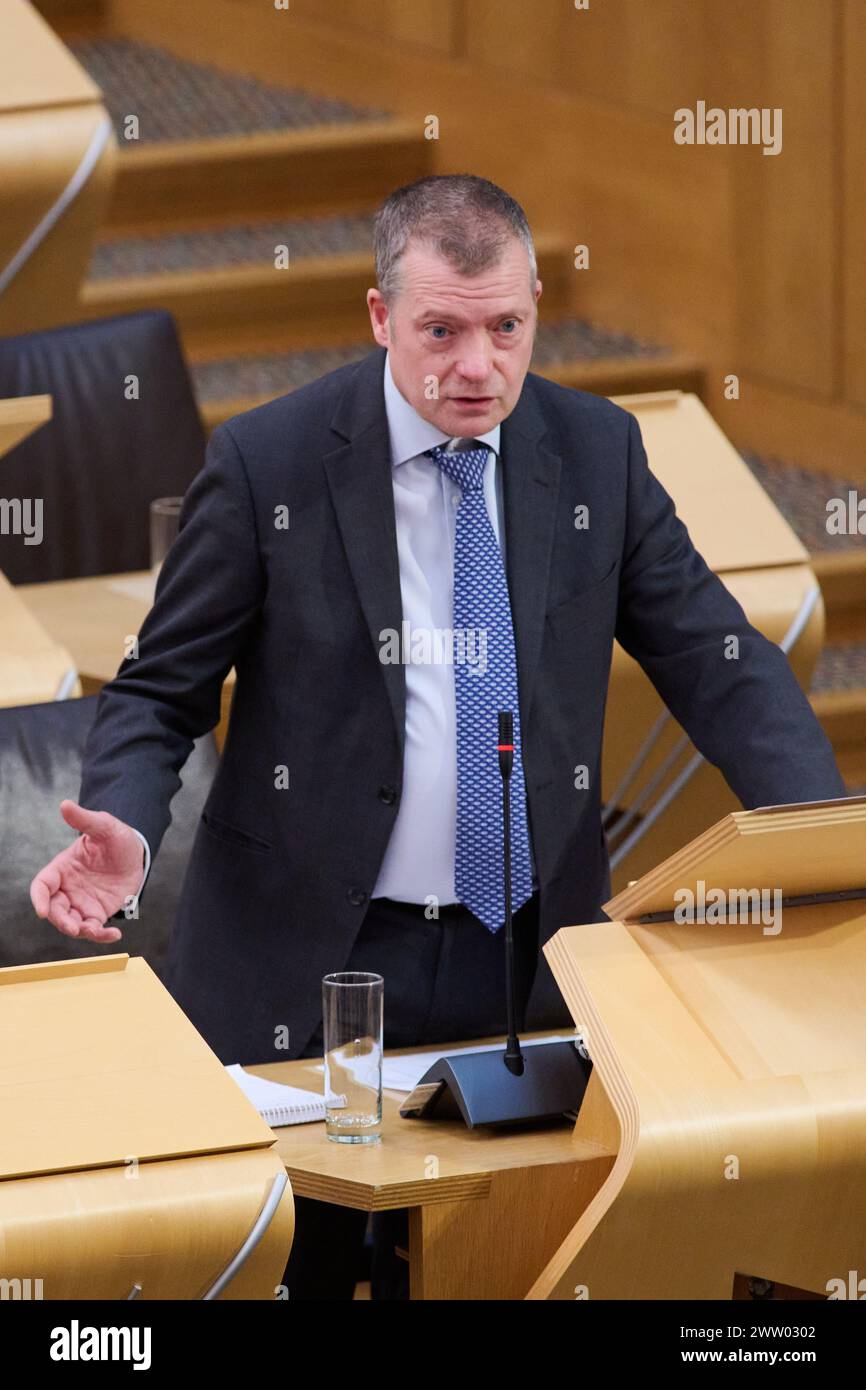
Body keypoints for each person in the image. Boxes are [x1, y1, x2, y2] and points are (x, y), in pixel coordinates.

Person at [30, 173, 846, 1299]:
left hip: (521, 962)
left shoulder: (593, 455)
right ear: (379, 318)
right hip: (311, 962)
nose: (477, 366)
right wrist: (122, 820)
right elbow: (160, 690)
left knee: (525, 1271)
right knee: (309, 1277)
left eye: (505, 328)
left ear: (533, 315)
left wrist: (816, 842)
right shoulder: (270, 462)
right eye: (440, 331)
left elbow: (721, 665)